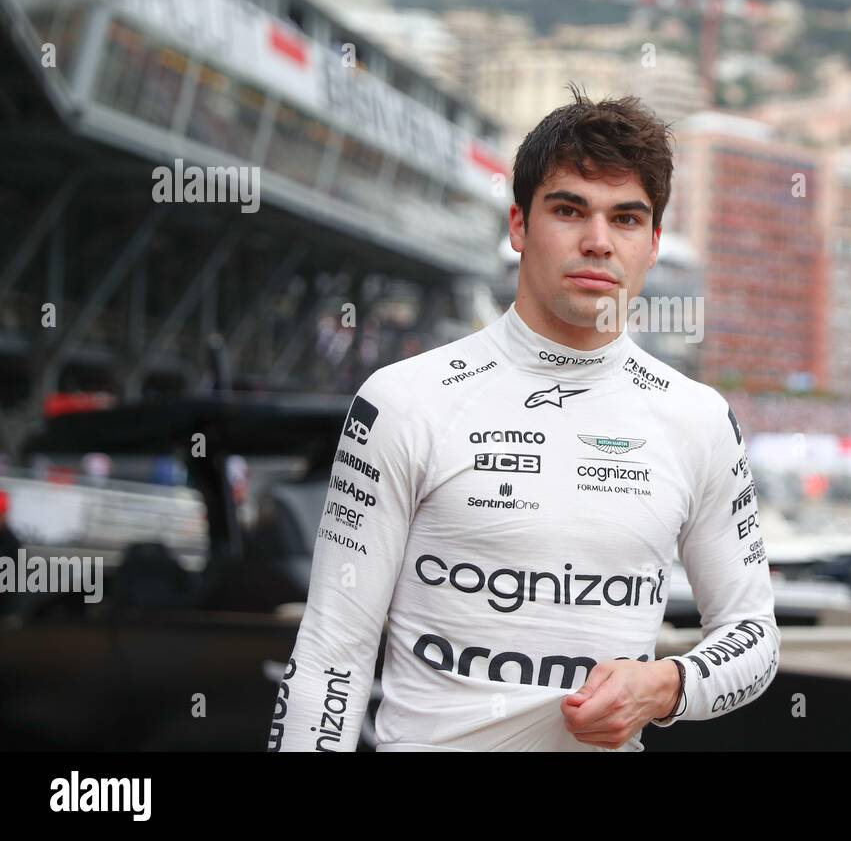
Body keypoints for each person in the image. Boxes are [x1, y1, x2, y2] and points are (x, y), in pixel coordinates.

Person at [268, 86, 780, 751]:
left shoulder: (698, 418)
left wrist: (668, 686)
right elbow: (333, 647)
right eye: (570, 210)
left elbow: (754, 637)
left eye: (625, 219)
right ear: (518, 225)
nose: (598, 242)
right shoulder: (402, 400)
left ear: (653, 243)